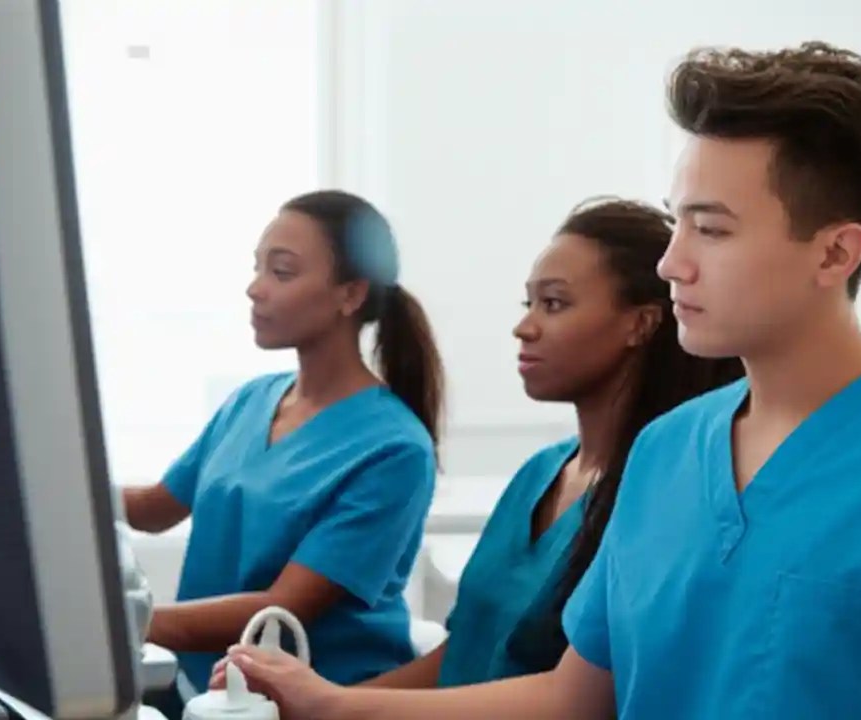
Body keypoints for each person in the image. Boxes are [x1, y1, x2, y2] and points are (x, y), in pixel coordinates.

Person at [214, 43, 861, 719]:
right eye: (675, 223)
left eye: (712, 228)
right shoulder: (665, 453)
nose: (670, 263)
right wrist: (332, 707)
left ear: (835, 251)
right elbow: (581, 695)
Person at [212, 197, 743, 694]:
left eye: (553, 304)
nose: (523, 327)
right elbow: (460, 656)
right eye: (528, 303)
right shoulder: (540, 473)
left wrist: (331, 706)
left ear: (641, 324)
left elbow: (577, 699)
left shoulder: (658, 497)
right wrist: (315, 704)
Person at [123, 190, 445, 699]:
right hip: (205, 690)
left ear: (350, 294)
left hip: (305, 704)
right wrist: (47, 485)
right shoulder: (251, 401)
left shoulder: (394, 450)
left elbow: (282, 608)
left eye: (282, 272)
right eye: (257, 268)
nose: (255, 289)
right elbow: (153, 509)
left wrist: (120, 622)